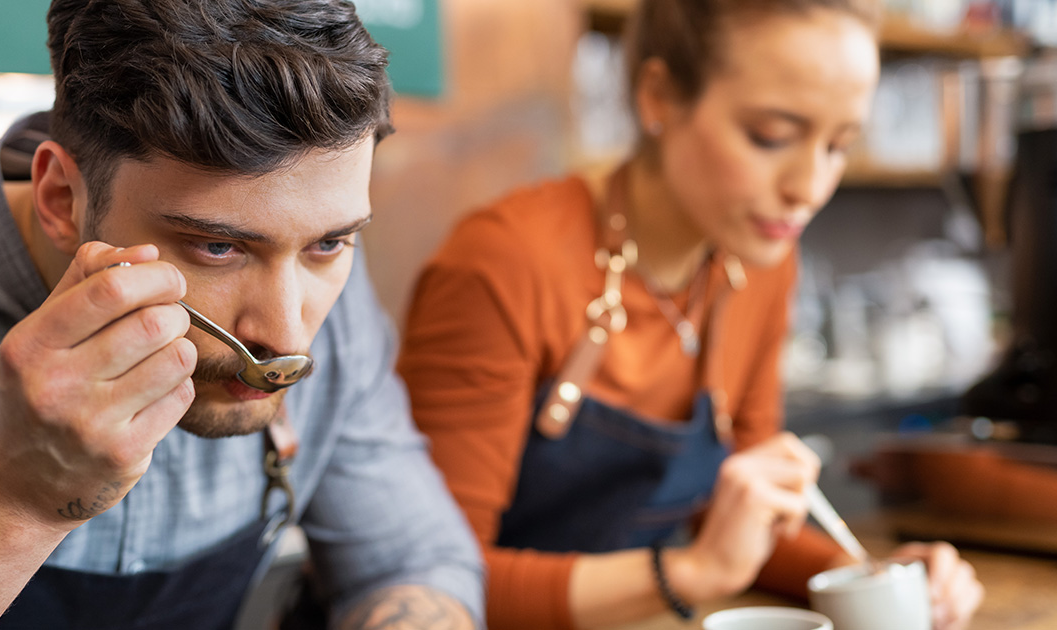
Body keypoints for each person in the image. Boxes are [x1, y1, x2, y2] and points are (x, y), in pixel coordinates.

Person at [0, 1, 483, 628]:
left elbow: (412, 560)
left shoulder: (312, 271)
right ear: (59, 199)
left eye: (328, 243)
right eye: (219, 247)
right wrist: (11, 495)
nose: (287, 338)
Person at [398, 1, 983, 629]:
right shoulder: (506, 264)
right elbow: (423, 584)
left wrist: (875, 578)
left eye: (840, 145)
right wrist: (690, 572)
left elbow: (751, 522)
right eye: (772, 136)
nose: (810, 187)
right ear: (659, 97)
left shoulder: (760, 263)